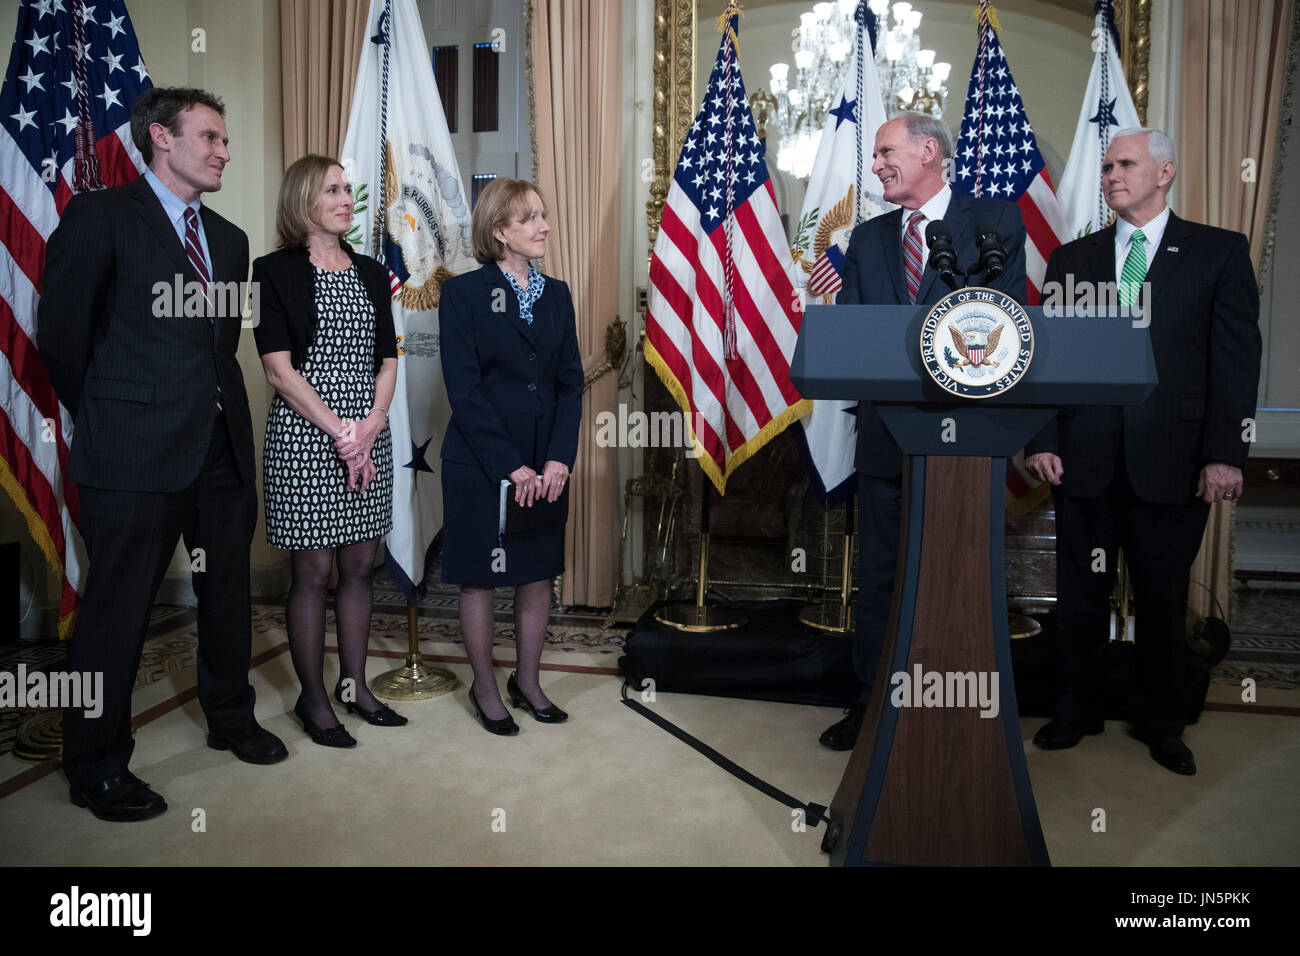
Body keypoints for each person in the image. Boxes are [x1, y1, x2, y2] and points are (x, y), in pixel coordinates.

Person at [37, 87, 287, 822]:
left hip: (219, 451)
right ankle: (95, 764)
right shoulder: (101, 217)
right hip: (133, 456)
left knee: (227, 597)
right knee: (118, 612)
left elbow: (216, 349)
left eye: (225, 139)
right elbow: (63, 341)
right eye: (209, 137)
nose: (224, 151)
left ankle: (231, 718)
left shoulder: (233, 240)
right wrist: (117, 418)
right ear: (160, 139)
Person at [1025, 127, 1262, 776]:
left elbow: (1236, 363)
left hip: (1176, 462)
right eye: (1104, 167)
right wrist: (1043, 437)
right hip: (1085, 458)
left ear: (1165, 173)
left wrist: (1226, 454)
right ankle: (1076, 710)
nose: (1110, 176)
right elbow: (1050, 358)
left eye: (1124, 164)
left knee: (1162, 600)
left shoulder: (1218, 253)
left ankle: (1162, 721)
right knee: (1079, 599)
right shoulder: (1074, 260)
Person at [823, 112, 1028, 750]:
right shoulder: (870, 238)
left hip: (966, 436)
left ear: (928, 151)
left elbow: (1007, 321)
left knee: (958, 572)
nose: (877, 163)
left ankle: (957, 708)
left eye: (887, 150)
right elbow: (857, 334)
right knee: (882, 572)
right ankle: (872, 701)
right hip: (887, 433)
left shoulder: (994, 222)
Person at [251, 155, 404, 747]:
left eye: (348, 188)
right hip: (306, 436)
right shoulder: (271, 270)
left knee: (361, 565)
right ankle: (313, 700)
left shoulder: (370, 271)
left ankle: (356, 686)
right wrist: (342, 432)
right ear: (302, 200)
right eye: (333, 189)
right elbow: (277, 369)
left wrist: (371, 423)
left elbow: (388, 359)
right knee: (313, 570)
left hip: (368, 431)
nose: (346, 197)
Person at [438, 178, 583, 735]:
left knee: (536, 575)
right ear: (499, 231)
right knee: (480, 578)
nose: (544, 226)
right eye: (529, 219)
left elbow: (569, 385)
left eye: (543, 215)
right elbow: (464, 387)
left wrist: (557, 460)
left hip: (545, 465)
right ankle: (485, 686)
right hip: (479, 462)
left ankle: (528, 680)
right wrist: (509, 465)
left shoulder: (559, 295)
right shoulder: (463, 294)